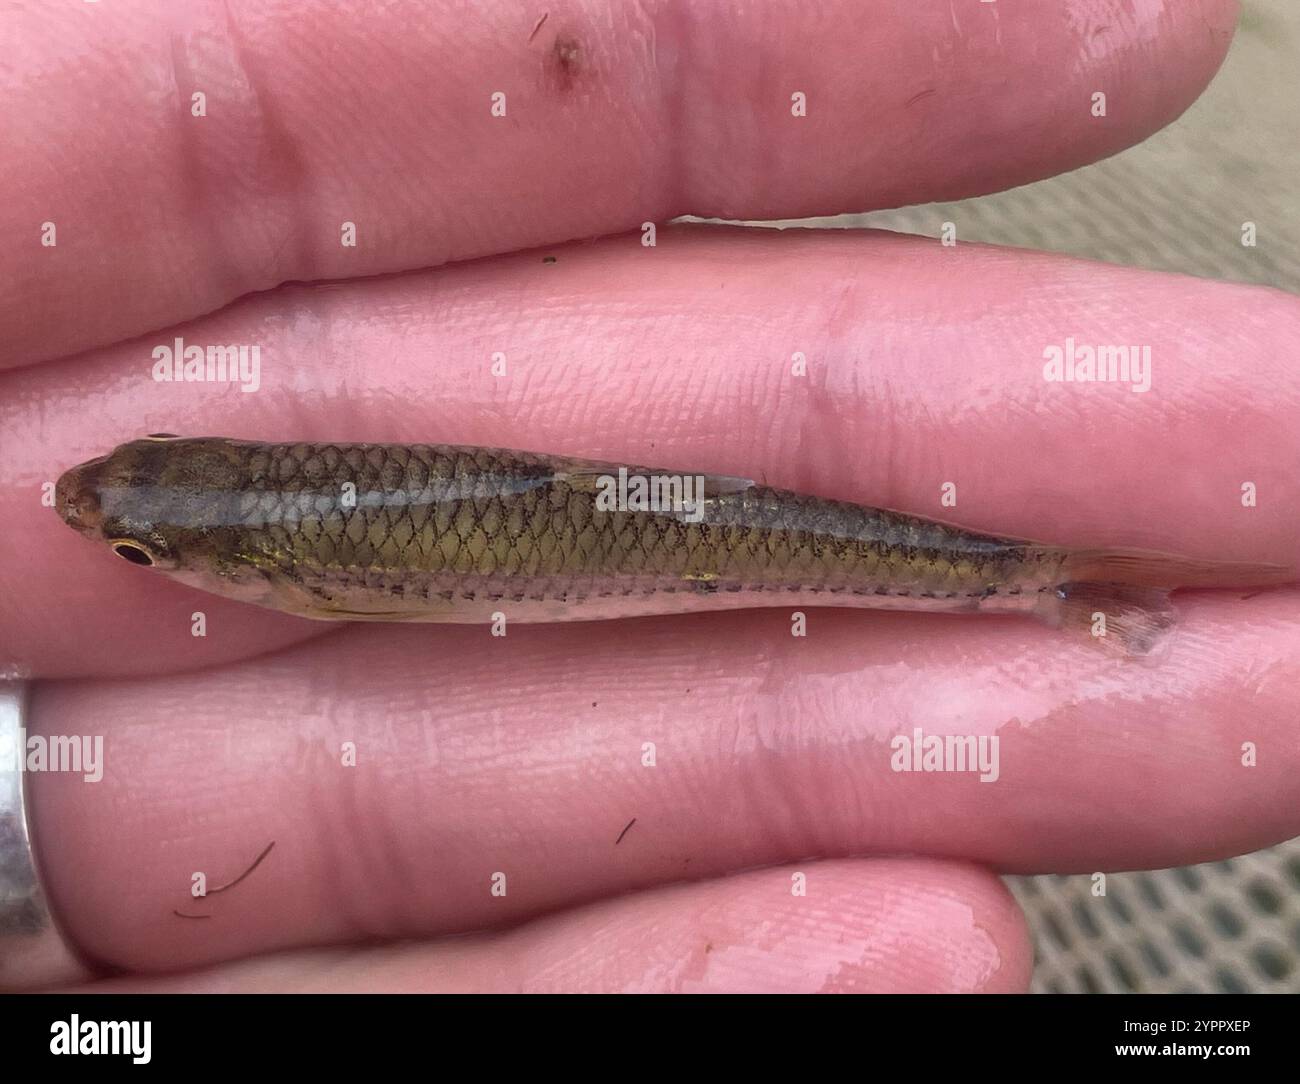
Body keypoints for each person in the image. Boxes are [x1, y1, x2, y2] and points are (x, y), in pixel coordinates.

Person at [2, 0, 1295, 993]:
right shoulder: (302, 531)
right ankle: (1044, 578)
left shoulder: (312, 572)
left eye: (129, 546)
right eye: (136, 546)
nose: (104, 532)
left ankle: (1044, 577)